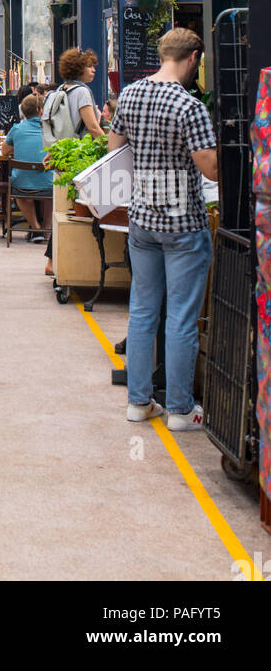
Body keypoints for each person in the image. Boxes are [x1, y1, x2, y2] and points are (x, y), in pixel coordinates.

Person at [108, 28, 217, 430]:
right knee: (182, 318)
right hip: (183, 222)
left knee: (142, 311)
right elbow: (209, 166)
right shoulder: (189, 107)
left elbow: (114, 148)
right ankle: (180, 409)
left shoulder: (132, 94)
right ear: (192, 58)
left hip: (142, 220)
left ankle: (139, 403)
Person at [41, 47, 104, 275]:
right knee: (77, 210)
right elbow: (93, 127)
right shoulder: (82, 92)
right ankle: (57, 261)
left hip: (62, 155)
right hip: (79, 156)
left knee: (64, 208)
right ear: (79, 69)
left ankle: (52, 261)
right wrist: (108, 147)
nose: (93, 70)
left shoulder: (61, 90)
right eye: (90, 66)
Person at [2, 94, 53, 240]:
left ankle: (36, 228)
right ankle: (47, 228)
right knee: (51, 194)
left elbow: (5, 151)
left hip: (22, 183)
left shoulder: (17, 129)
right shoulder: (50, 128)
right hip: (47, 183)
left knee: (23, 196)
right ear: (41, 110)